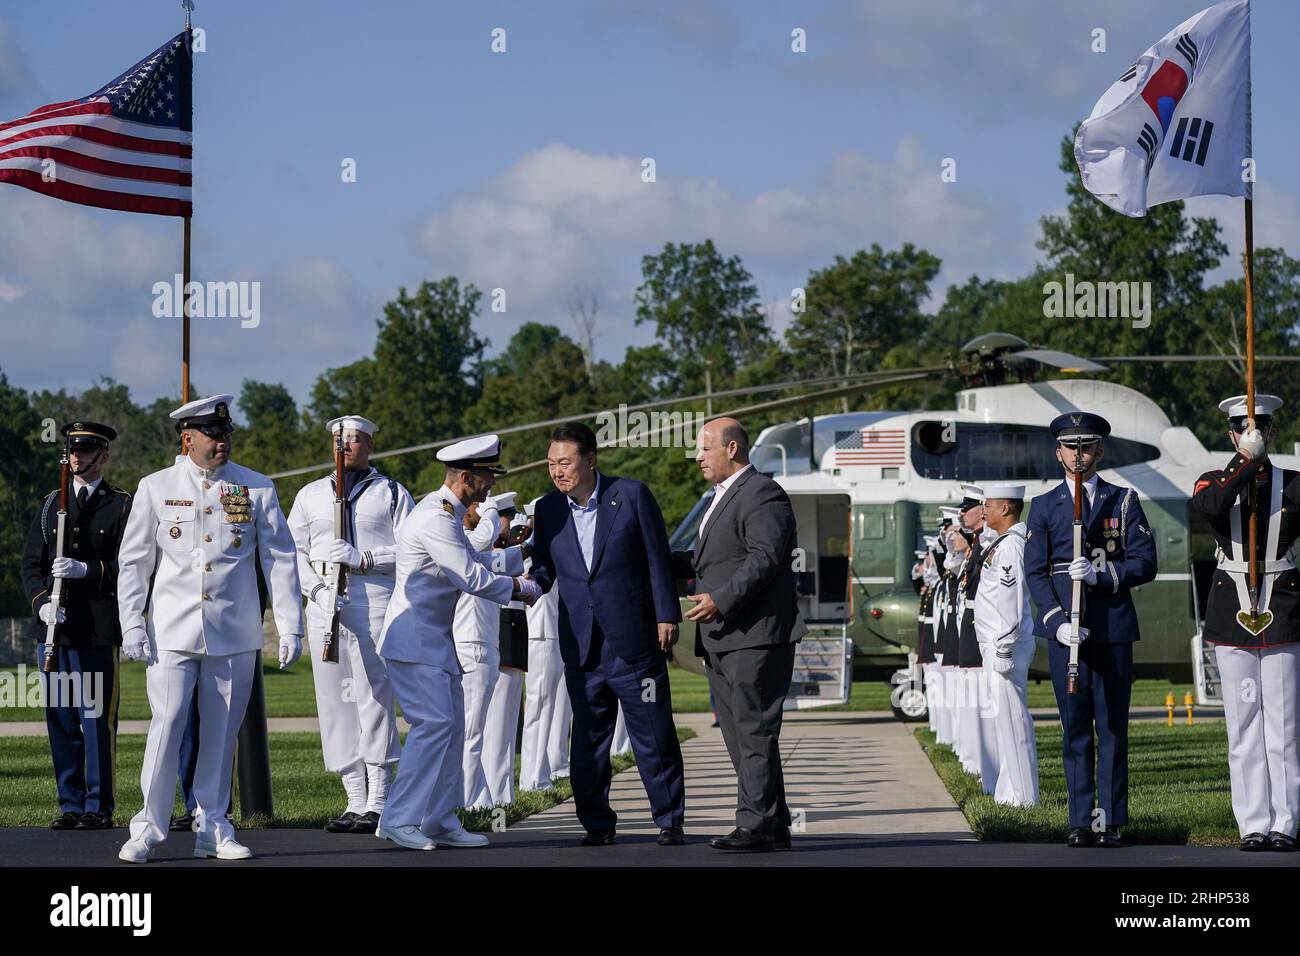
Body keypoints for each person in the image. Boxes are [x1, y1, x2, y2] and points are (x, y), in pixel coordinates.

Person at [116, 395, 303, 863]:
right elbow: (135, 562)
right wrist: (131, 623)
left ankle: (213, 825)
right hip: (172, 629)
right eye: (212, 436)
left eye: (226, 434)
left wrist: (291, 624)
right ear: (188, 439)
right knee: (168, 722)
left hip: (233, 630)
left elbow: (279, 560)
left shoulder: (255, 487)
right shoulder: (156, 487)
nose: (223, 443)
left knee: (222, 733)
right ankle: (149, 827)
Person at [375, 435, 538, 851]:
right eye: (486, 479)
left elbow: (478, 560)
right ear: (467, 477)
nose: (489, 489)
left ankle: (439, 817)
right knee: (435, 726)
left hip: (434, 643)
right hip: (413, 644)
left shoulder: (447, 515)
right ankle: (398, 818)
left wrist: (528, 552)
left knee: (452, 729)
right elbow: (470, 577)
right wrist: (523, 588)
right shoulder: (435, 517)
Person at [528, 422, 686, 847]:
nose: (556, 471)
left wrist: (666, 615)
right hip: (582, 646)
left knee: (653, 734)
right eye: (550, 464)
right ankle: (597, 825)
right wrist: (525, 587)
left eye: (564, 462)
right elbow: (543, 567)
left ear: (590, 459)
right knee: (587, 744)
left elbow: (658, 558)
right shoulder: (547, 510)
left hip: (634, 641)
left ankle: (670, 821)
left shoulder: (631, 495)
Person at [1025, 411, 1157, 848]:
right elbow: (1036, 573)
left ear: (1100, 450)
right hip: (1068, 630)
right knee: (1076, 727)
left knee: (1113, 727)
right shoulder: (1044, 506)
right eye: (1070, 446)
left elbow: (1145, 562)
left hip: (1112, 627)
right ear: (1057, 451)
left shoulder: (1122, 500)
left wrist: (1103, 576)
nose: (1078, 455)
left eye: (1087, 447)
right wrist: (1056, 622)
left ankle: (1110, 820)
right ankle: (1081, 820)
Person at [681, 418, 805, 852]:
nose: (697, 456)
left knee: (753, 732)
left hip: (755, 636)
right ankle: (774, 823)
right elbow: (709, 562)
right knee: (743, 737)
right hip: (724, 637)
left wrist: (721, 599)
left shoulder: (761, 492)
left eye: (705, 448)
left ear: (732, 449)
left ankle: (753, 827)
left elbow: (765, 557)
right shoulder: (721, 498)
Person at [287, 414, 412, 834]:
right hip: (324, 603)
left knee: (373, 696)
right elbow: (292, 553)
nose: (346, 448)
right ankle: (353, 797)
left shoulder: (391, 493)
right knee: (335, 700)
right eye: (340, 440)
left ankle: (379, 796)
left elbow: (413, 549)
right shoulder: (309, 495)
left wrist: (367, 559)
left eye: (355, 440)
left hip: (372, 597)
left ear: (370, 445)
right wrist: (317, 591)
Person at [1191, 393, 1299, 852]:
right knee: (1244, 725)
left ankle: (1286, 823)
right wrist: (1245, 461)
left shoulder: (1294, 483)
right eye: (1243, 429)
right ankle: (1253, 822)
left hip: (1284, 609)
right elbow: (1212, 508)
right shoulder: (1210, 480)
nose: (1253, 435)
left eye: (1260, 429)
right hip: (1231, 611)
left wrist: (1261, 461)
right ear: (1232, 434)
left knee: (1285, 726)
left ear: (1273, 432)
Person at [21, 421, 131, 831]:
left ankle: (98, 806)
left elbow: (133, 568)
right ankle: (70, 803)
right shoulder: (52, 503)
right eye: (72, 449)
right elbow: (31, 564)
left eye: (86, 450)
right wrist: (42, 604)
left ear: (103, 455)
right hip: (55, 631)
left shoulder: (122, 505)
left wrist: (89, 569)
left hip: (96, 631)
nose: (77, 456)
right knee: (62, 719)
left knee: (95, 720)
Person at [973, 484, 1038, 807]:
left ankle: (1025, 797)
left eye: (989, 505)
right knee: (1004, 721)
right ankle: (1010, 792)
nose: (983, 511)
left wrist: (1004, 646)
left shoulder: (1011, 547)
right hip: (998, 644)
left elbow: (1011, 601)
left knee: (1013, 721)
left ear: (1007, 509)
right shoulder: (1001, 544)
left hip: (1006, 646)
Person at [454, 494, 507, 810]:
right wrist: (490, 511)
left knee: (474, 732)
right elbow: (480, 542)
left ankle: (479, 800)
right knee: (470, 734)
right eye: (477, 504)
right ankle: (465, 803)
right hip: (470, 646)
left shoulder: (475, 548)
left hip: (482, 645)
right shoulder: (464, 546)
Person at [518, 496, 572, 792]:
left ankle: (543, 771)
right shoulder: (531, 546)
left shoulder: (550, 544)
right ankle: (532, 777)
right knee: (538, 703)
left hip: (552, 630)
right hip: (539, 632)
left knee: (549, 704)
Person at [482, 497, 530, 806]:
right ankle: (494, 794)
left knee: (505, 715)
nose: (508, 523)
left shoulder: (503, 549)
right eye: (504, 517)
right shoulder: (486, 550)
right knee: (495, 717)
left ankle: (499, 792)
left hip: (508, 625)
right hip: (499, 625)